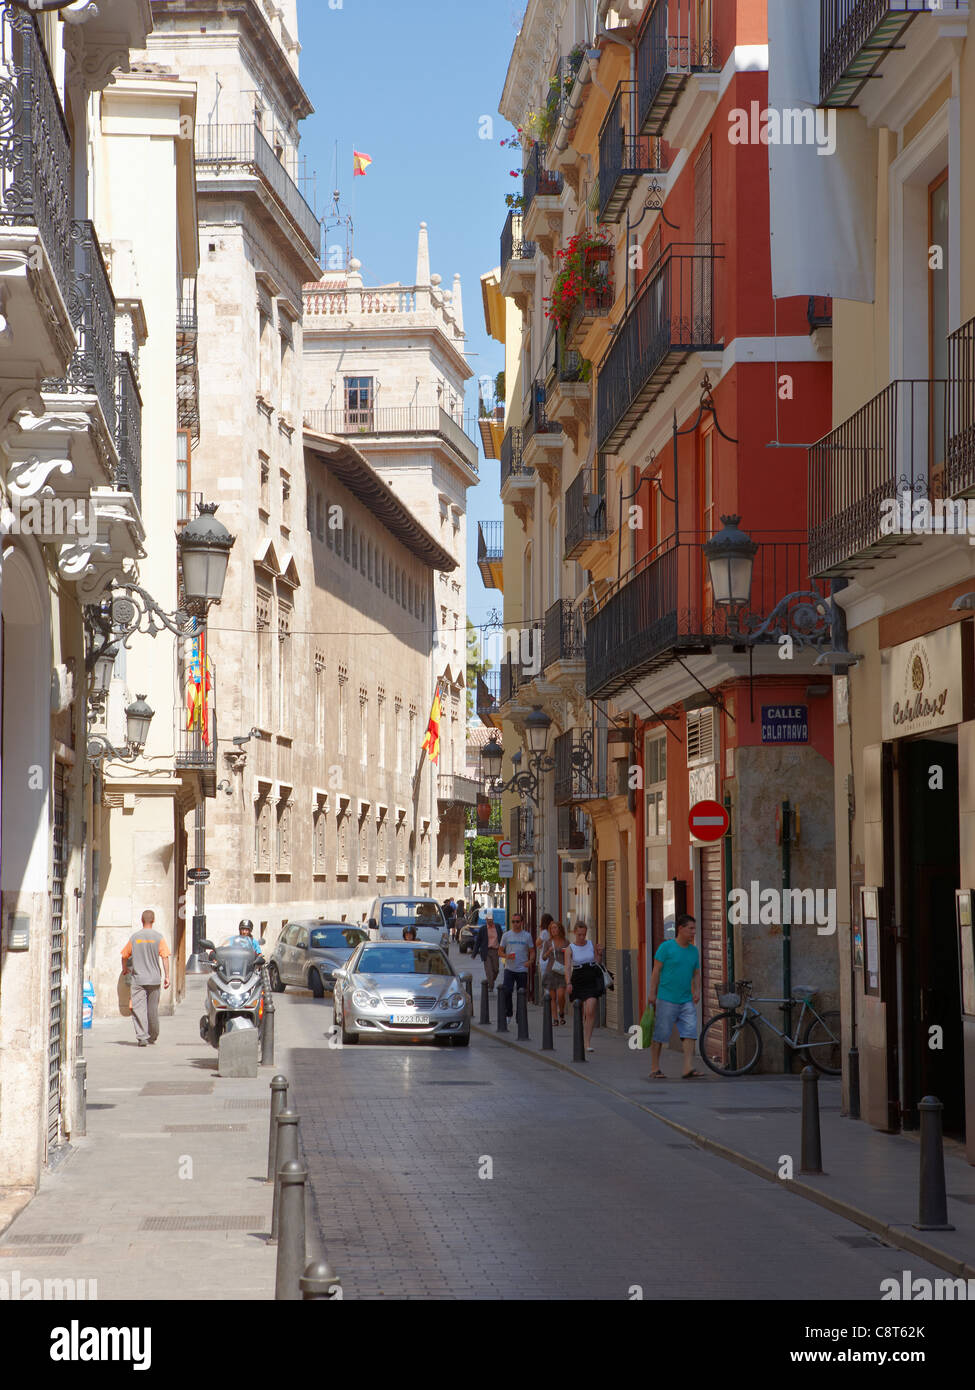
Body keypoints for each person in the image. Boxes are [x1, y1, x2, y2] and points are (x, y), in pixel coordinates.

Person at [648, 913, 703, 1079]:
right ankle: (655, 1067)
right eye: (690, 929)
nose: (694, 932)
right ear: (680, 929)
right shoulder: (666, 948)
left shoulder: (694, 951)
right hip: (666, 998)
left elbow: (696, 973)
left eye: (695, 929)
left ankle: (688, 1067)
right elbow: (656, 971)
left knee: (690, 1032)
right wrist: (652, 993)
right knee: (660, 1034)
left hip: (686, 999)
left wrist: (697, 990)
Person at [121, 909, 170, 1047]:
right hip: (154, 979)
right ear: (153, 921)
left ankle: (142, 1036)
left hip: (138, 980)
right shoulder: (158, 937)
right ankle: (153, 1035)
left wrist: (125, 969)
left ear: (142, 921)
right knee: (152, 1009)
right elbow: (165, 957)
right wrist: (167, 976)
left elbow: (124, 955)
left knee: (138, 1008)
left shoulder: (135, 937)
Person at [565, 920, 603, 1053]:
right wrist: (568, 983)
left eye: (584, 935)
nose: (582, 937)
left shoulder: (591, 944)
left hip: (591, 977)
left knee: (590, 1009)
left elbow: (597, 962)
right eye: (579, 934)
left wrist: (599, 953)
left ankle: (587, 1042)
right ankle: (579, 1038)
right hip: (578, 979)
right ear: (575, 932)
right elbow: (568, 968)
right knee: (580, 1012)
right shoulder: (570, 948)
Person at [499, 911, 535, 1019]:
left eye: (517, 921)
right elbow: (499, 951)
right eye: (513, 921)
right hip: (509, 968)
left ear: (522, 922)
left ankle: (520, 1016)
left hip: (522, 969)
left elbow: (532, 951)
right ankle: (508, 1013)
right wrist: (506, 956)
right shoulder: (506, 935)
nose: (515, 924)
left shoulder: (527, 936)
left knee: (522, 994)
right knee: (507, 991)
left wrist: (530, 961)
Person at [541, 919, 569, 1024]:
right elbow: (543, 958)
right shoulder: (548, 942)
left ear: (560, 929)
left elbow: (571, 956)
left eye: (555, 927)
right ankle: (555, 1019)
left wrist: (567, 952)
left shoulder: (566, 942)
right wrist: (548, 951)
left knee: (561, 995)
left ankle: (561, 1011)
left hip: (561, 972)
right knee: (553, 997)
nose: (553, 930)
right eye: (552, 928)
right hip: (551, 971)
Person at [472, 910, 502, 990]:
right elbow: (478, 942)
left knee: (496, 969)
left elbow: (502, 939)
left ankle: (490, 980)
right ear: (486, 920)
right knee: (489, 970)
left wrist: (504, 950)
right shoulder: (483, 929)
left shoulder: (498, 927)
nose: (489, 921)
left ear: (493, 919)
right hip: (486, 951)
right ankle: (491, 986)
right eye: (488, 920)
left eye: (491, 919)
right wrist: (474, 953)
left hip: (495, 951)